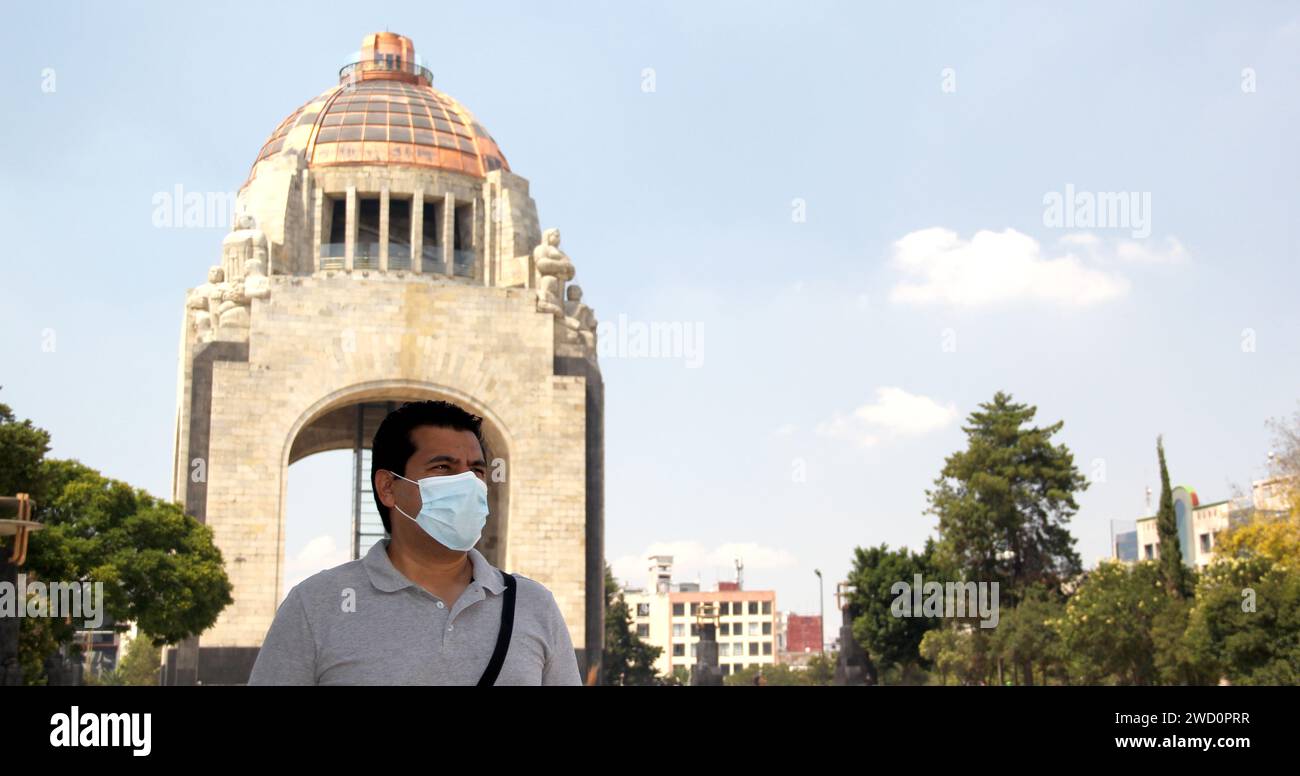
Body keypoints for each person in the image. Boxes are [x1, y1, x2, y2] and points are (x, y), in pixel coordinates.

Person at [248, 400, 582, 685]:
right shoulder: (314, 606)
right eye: (443, 467)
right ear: (388, 488)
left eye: (476, 472)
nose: (466, 484)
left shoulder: (534, 605)